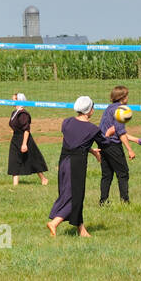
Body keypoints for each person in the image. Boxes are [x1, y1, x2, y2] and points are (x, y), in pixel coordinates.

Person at [47, 96, 108, 238]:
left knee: (71, 193)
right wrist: (111, 133)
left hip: (63, 162)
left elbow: (76, 141)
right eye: (93, 107)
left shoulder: (67, 122)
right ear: (89, 111)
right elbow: (105, 143)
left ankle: (81, 230)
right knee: (75, 196)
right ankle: (55, 222)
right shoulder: (92, 129)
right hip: (76, 165)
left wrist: (91, 151)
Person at [98, 85, 141, 205]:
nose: (128, 97)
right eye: (127, 95)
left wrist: (137, 140)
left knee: (107, 175)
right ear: (122, 97)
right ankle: (125, 201)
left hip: (104, 145)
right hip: (113, 146)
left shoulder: (108, 108)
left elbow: (117, 131)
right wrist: (130, 150)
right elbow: (120, 133)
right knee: (123, 173)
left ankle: (103, 201)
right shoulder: (120, 110)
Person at [7, 93, 49, 187]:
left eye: (13, 99)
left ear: (19, 100)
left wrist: (24, 144)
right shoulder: (14, 112)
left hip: (25, 139)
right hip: (15, 138)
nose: (11, 101)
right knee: (14, 160)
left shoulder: (23, 114)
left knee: (32, 160)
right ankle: (15, 185)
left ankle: (43, 178)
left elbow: (26, 130)